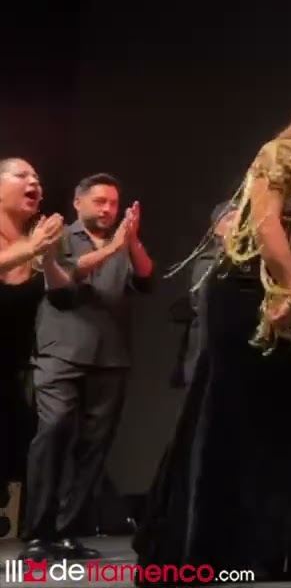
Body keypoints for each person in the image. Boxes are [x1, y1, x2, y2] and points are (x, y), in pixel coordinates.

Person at [132, 84, 291, 584]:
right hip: (243, 292)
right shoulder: (279, 154)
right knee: (230, 418)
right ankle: (203, 548)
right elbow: (268, 222)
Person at [22, 173, 155, 560]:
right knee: (53, 432)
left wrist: (130, 242)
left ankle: (67, 532)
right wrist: (115, 246)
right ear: (78, 203)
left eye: (113, 203)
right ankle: (37, 532)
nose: (107, 209)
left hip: (110, 358)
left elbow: (147, 280)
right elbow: (67, 281)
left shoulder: (123, 242)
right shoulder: (59, 234)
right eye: (99, 201)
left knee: (93, 447)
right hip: (60, 353)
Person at [0, 159, 70, 540]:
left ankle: (41, 535)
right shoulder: (27, 243)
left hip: (10, 368)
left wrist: (48, 257)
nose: (34, 182)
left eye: (38, 179)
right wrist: (32, 247)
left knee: (28, 447)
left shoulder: (33, 242)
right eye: (22, 175)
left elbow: (62, 293)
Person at [169, 202, 236, 389]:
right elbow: (206, 303)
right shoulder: (207, 262)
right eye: (230, 218)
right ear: (217, 228)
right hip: (209, 363)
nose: (238, 223)